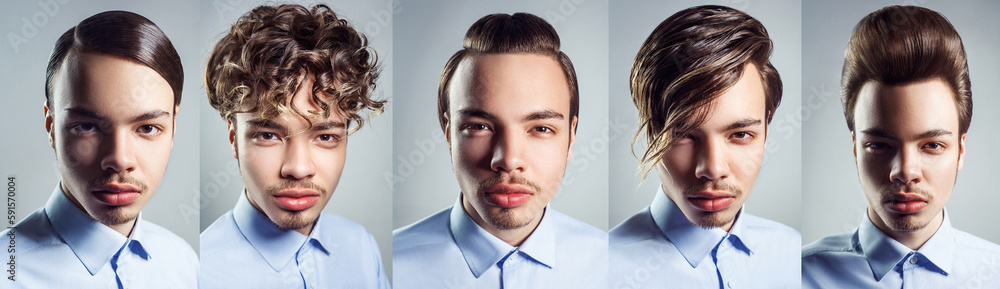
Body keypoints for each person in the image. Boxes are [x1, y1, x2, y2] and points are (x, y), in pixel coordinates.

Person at [392, 12, 608, 288]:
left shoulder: (606, 265)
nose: (508, 160)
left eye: (541, 128)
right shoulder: (391, 267)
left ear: (571, 137)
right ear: (449, 134)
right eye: (479, 127)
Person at [801, 5, 1000, 288]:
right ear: (856, 147)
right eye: (879, 145)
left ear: (960, 150)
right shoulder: (799, 275)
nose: (905, 172)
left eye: (932, 145)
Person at [1, 10, 197, 288]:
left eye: (147, 127)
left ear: (174, 127)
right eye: (87, 127)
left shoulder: (185, 264)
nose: (119, 159)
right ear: (51, 126)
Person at [199, 4, 389, 288]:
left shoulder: (361, 246)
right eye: (268, 135)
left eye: (325, 136)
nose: (299, 169)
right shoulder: (196, 271)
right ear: (233, 138)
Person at [609, 5, 799, 288]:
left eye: (741, 134)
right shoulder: (602, 269)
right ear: (651, 133)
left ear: (766, 130)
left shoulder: (794, 255)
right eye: (683, 134)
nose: (712, 169)